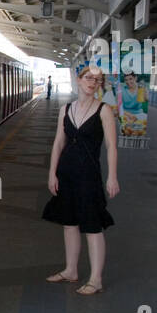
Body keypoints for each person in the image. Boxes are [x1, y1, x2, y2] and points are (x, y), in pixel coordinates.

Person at [42, 67, 119, 294]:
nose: (92, 82)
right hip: (66, 173)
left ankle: (96, 279)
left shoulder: (104, 110)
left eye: (97, 80)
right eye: (88, 78)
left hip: (89, 175)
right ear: (79, 80)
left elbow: (111, 147)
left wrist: (112, 176)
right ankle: (71, 270)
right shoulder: (65, 109)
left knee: (92, 226)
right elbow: (58, 142)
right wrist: (51, 173)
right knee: (69, 224)